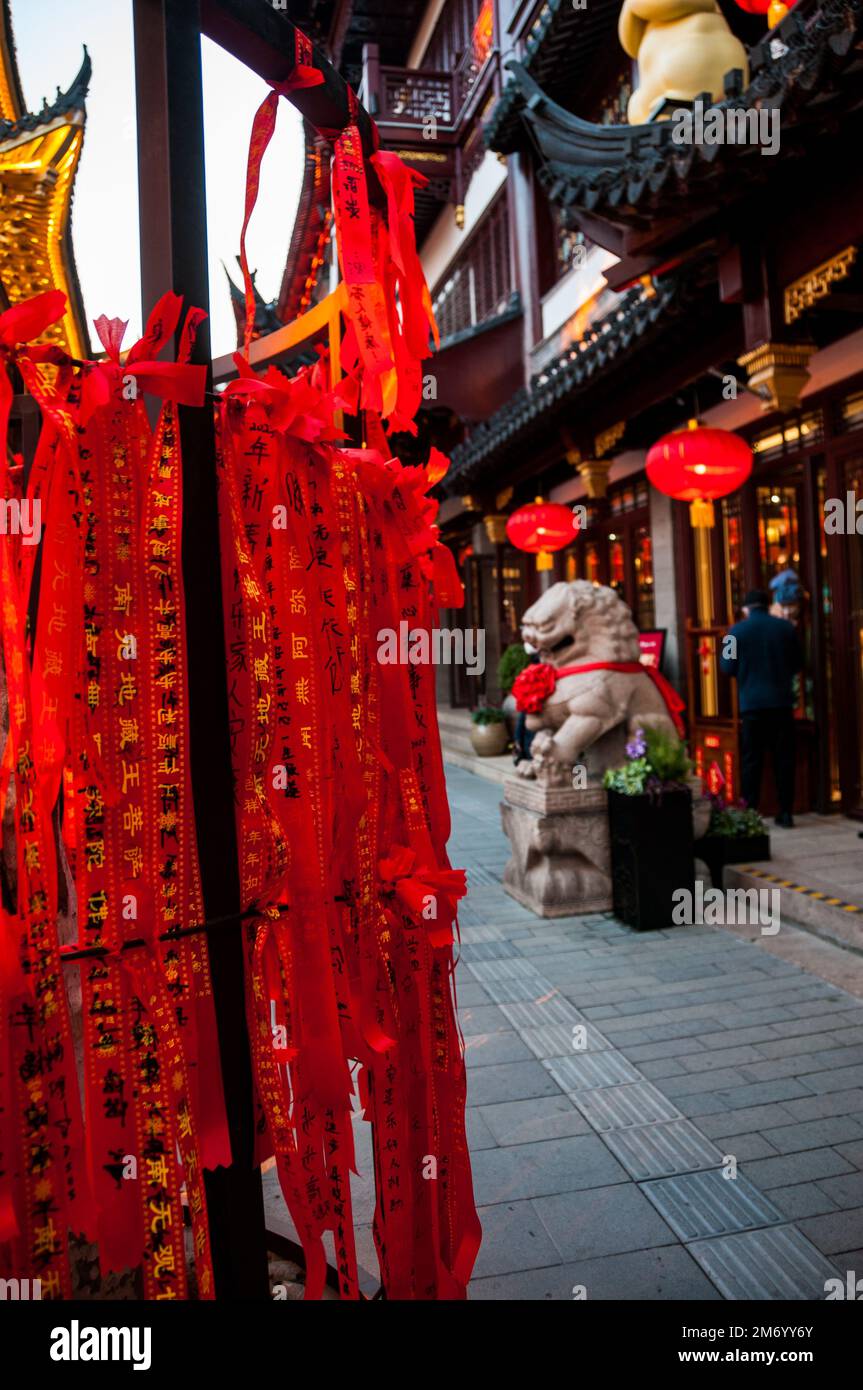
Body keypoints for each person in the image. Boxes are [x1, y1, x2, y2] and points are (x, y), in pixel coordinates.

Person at [720, 588, 803, 828]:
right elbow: (798, 662)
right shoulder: (786, 628)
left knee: (751, 761)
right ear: (767, 606)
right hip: (781, 704)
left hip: (752, 706)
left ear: (746, 609)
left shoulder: (734, 632)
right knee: (784, 759)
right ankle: (786, 812)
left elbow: (726, 667)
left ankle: (751, 812)